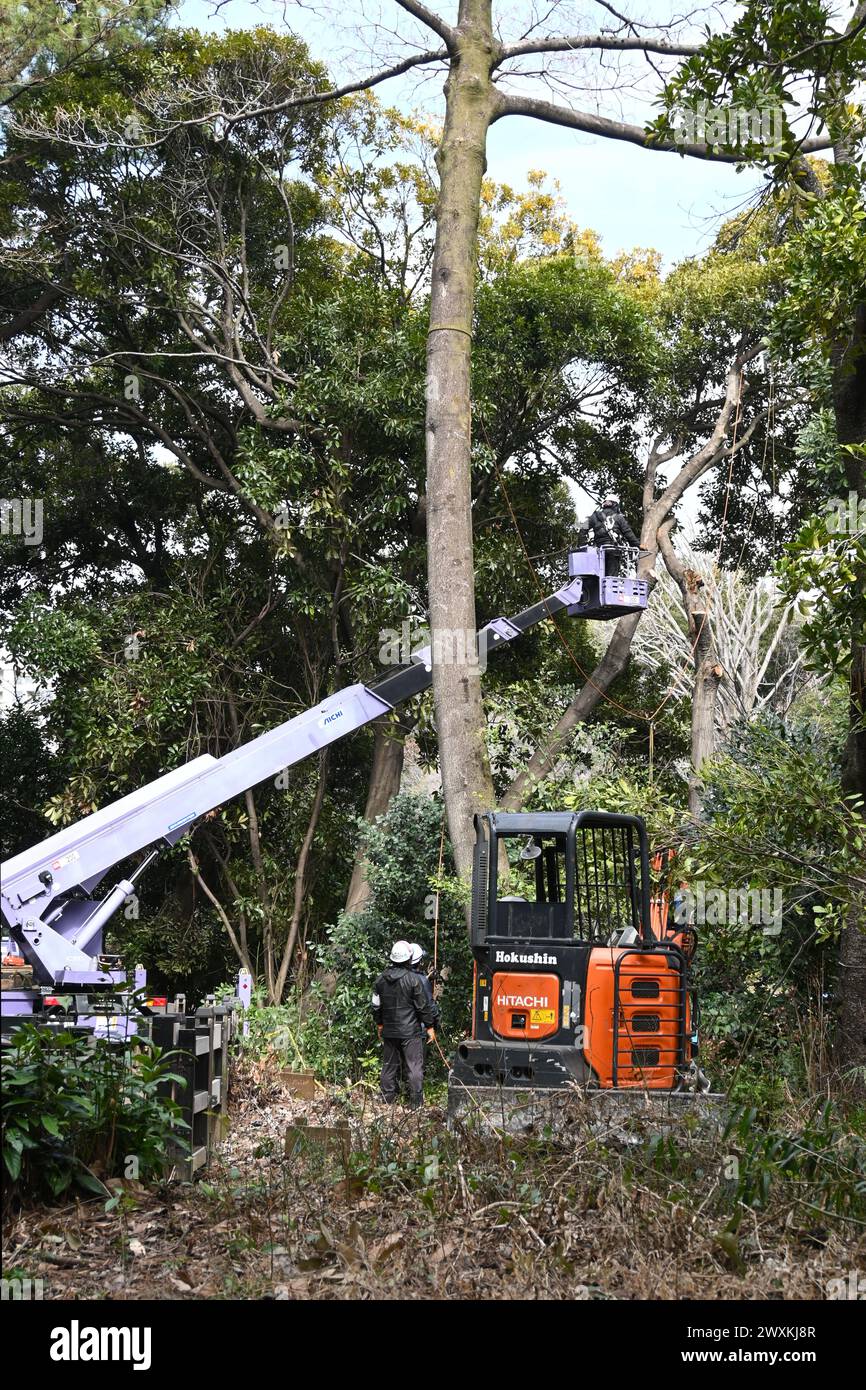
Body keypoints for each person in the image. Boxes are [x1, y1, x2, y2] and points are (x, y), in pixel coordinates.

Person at [371, 940, 436, 1108]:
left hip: (389, 1031)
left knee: (389, 1066)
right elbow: (422, 1007)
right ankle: (415, 1104)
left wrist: (379, 1025)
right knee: (414, 1067)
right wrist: (430, 1027)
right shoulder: (413, 980)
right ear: (408, 959)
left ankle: (387, 1100)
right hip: (410, 1032)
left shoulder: (380, 981)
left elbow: (376, 1006)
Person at [585, 494, 639, 576]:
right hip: (613, 551)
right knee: (611, 576)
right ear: (616, 505)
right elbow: (628, 533)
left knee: (598, 575)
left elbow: (582, 529)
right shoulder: (619, 518)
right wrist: (638, 545)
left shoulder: (594, 516)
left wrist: (582, 546)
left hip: (598, 551)